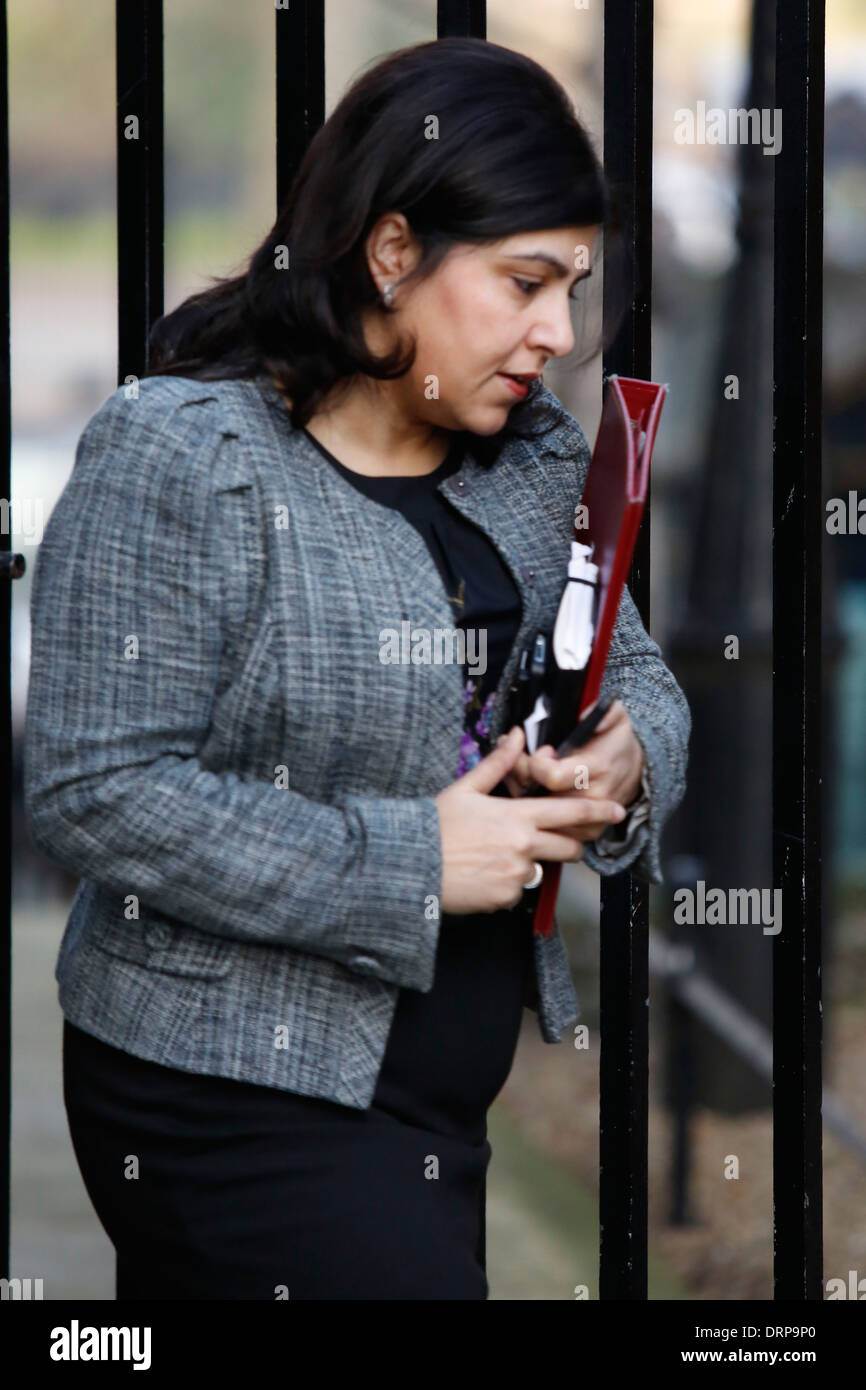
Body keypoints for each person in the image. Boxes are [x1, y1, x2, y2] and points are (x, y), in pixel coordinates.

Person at [23, 36, 690, 1300]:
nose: (558, 331)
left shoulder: (531, 455)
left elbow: (641, 672)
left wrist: (628, 748)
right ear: (392, 252)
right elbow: (90, 786)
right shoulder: (184, 455)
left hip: (436, 1094)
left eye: (573, 286)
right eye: (523, 282)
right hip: (228, 1084)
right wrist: (413, 858)